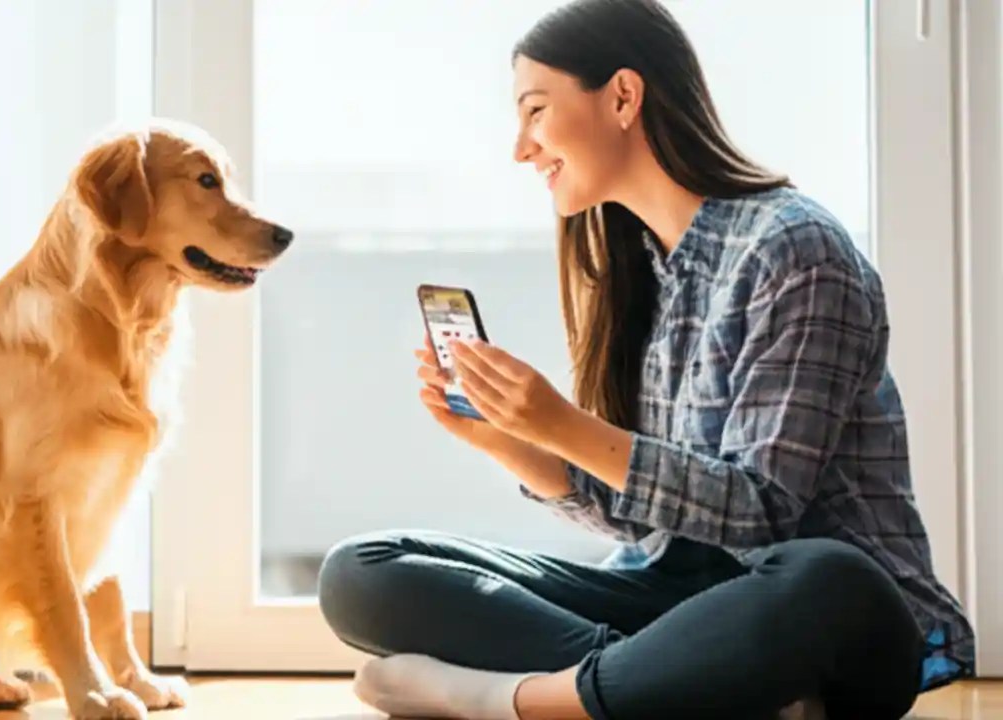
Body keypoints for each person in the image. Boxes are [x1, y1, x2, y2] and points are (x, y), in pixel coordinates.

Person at [315, 1, 976, 718]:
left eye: (535, 111)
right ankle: (678, 687)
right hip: (677, 607)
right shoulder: (637, 265)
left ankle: (517, 700)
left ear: (624, 97)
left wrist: (562, 424)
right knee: (363, 572)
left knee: (828, 576)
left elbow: (760, 515)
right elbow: (649, 525)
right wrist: (513, 441)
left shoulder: (794, 249)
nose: (521, 149)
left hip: (819, 618)